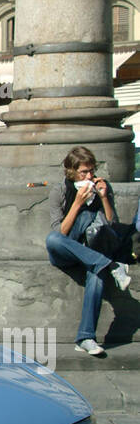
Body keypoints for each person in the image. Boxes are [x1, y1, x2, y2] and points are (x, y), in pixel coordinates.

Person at [46, 145, 131, 357]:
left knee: (97, 274)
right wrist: (77, 203)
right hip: (68, 249)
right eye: (84, 172)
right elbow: (61, 234)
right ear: (71, 172)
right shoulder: (60, 191)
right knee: (52, 239)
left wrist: (103, 197)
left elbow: (113, 225)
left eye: (92, 171)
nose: (90, 176)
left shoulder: (102, 186)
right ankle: (110, 265)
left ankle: (85, 337)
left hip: (93, 252)